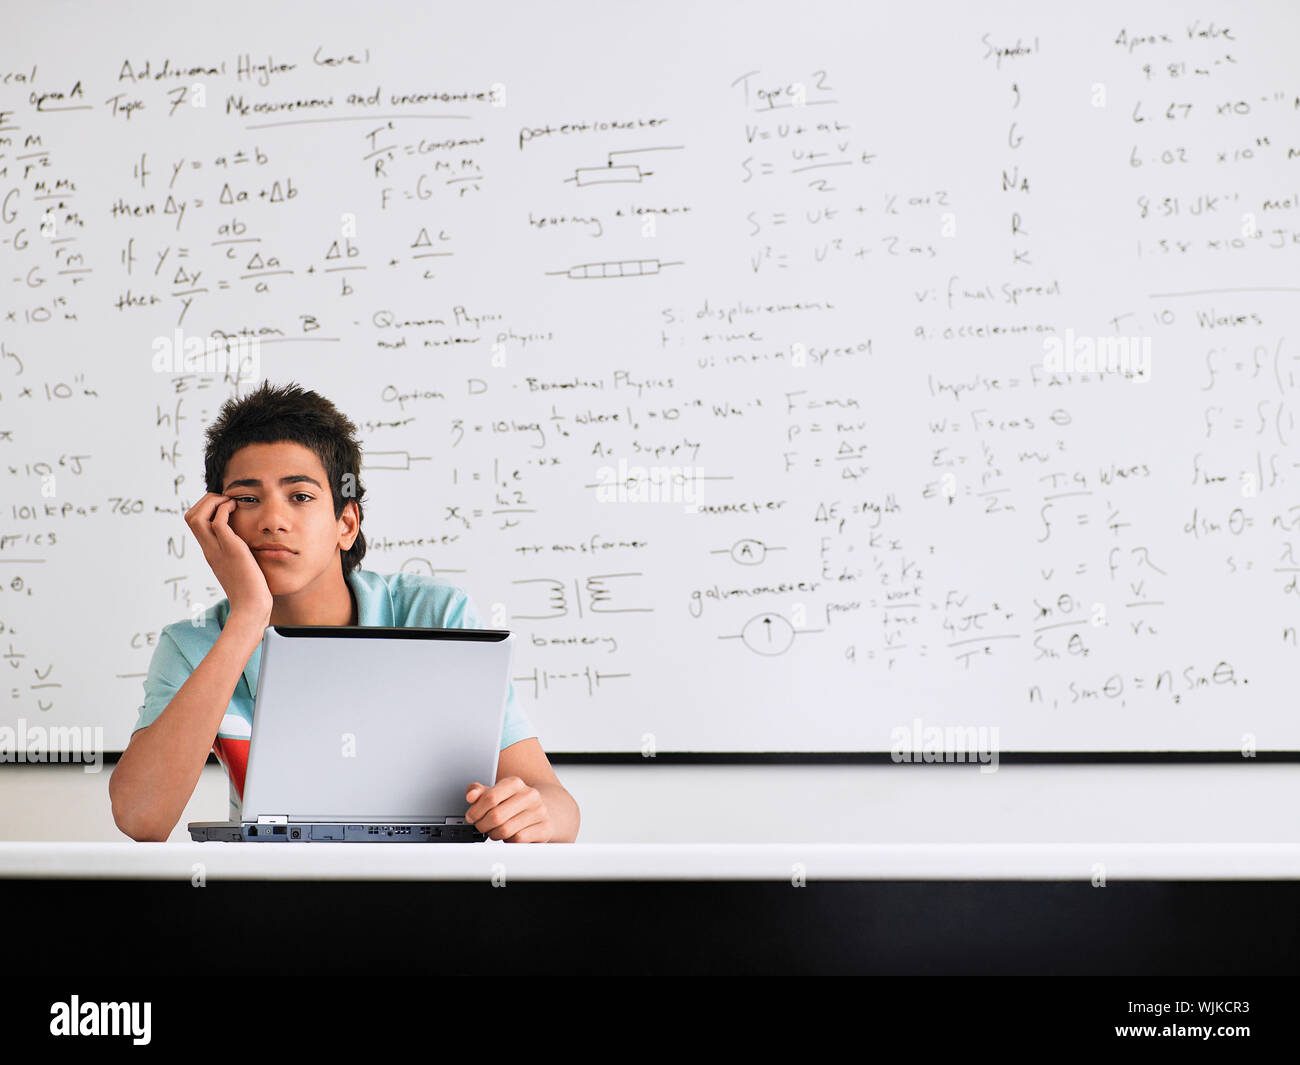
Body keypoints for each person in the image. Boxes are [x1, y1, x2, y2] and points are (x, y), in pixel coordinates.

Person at [110, 379, 579, 843]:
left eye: (301, 496)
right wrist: (249, 617)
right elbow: (141, 818)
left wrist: (533, 813)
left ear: (346, 523)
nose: (273, 520)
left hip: (432, 892)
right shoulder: (194, 643)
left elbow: (558, 806)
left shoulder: (436, 614)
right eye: (247, 499)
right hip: (273, 895)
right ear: (217, 519)